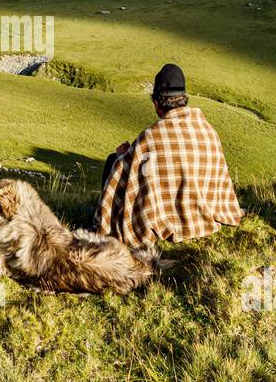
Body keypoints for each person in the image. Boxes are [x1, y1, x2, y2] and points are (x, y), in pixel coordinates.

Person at [96, 63, 243, 248]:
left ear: (157, 103)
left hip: (163, 223)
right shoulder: (208, 130)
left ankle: (103, 228)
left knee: (114, 161)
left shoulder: (149, 138)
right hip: (205, 217)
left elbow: (127, 175)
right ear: (184, 99)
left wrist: (121, 157)